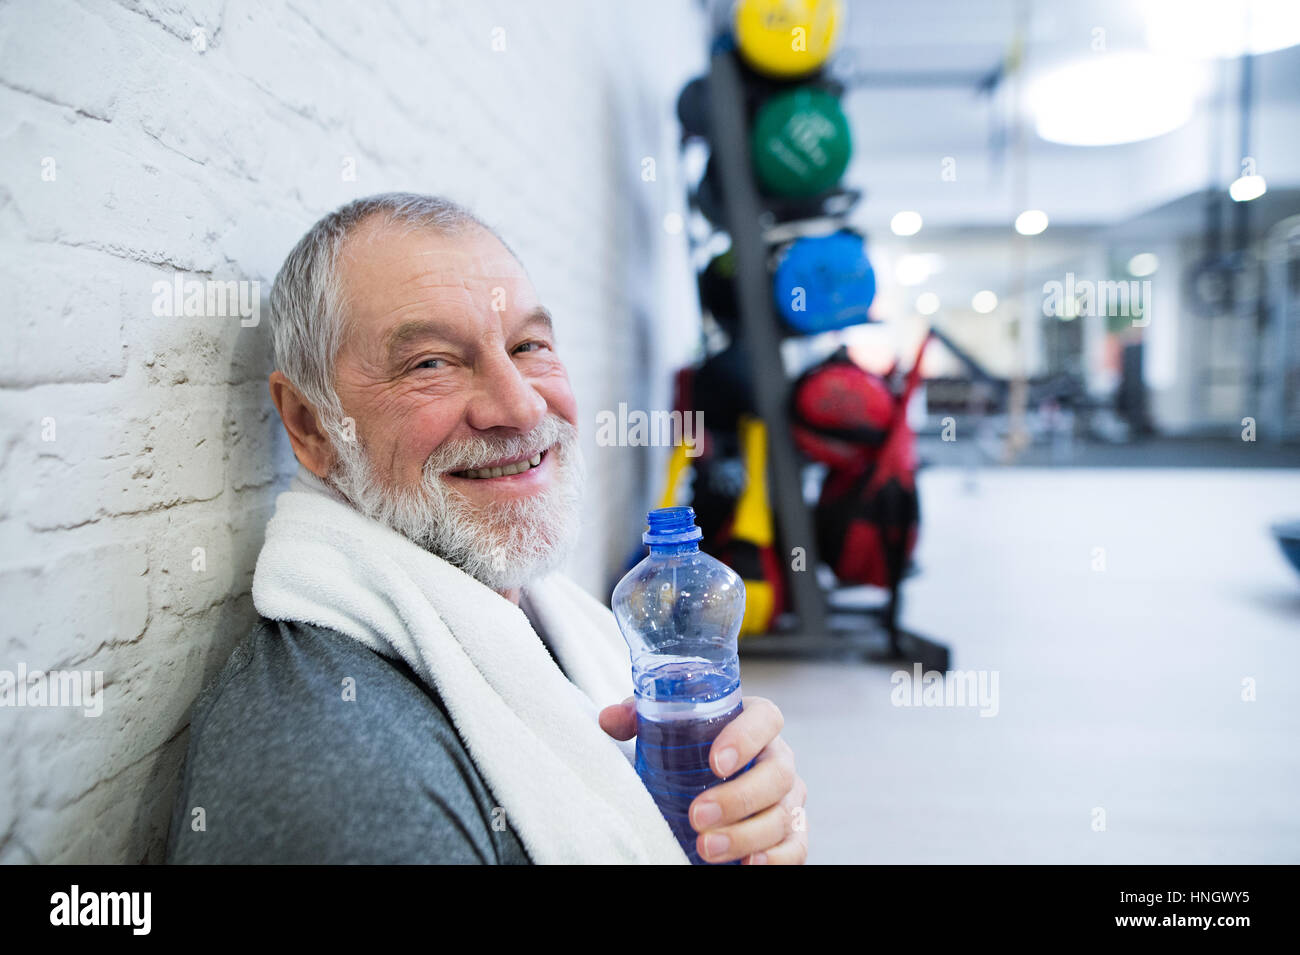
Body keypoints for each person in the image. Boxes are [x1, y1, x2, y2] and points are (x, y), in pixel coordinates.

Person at [166, 193, 806, 865]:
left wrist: (742, 823)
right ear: (310, 425)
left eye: (528, 345)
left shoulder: (543, 617)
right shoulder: (340, 782)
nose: (521, 405)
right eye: (431, 363)